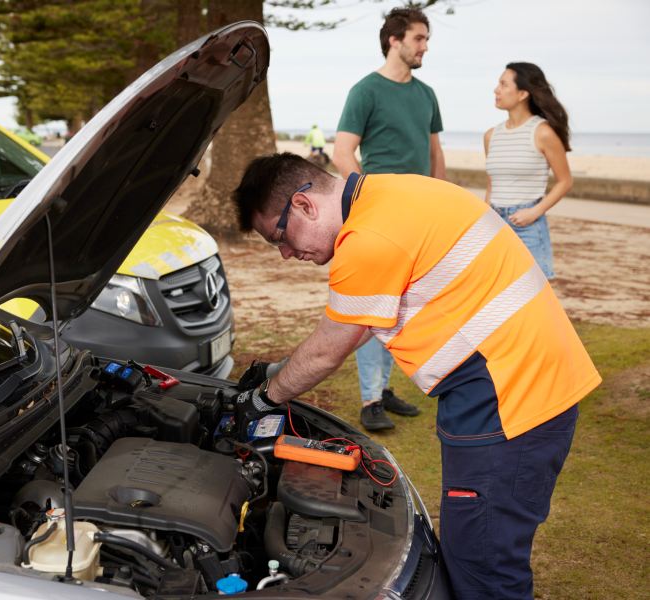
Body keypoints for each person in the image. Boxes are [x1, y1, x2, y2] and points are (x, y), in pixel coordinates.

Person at [231, 152, 600, 599]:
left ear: (305, 205)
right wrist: (277, 370)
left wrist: (265, 397)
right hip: (530, 382)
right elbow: (365, 321)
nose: (288, 254)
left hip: (506, 399)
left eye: (279, 237)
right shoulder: (395, 195)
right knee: (488, 552)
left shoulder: (367, 236)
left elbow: (331, 348)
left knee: (482, 566)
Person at [331, 6, 446, 431]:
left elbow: (435, 153)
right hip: (381, 214)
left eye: (426, 39)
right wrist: (372, 196)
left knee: (405, 305)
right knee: (374, 304)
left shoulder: (426, 94)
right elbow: (343, 153)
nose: (425, 46)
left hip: (421, 216)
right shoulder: (366, 90)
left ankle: (385, 387)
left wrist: (441, 200)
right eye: (418, 38)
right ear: (394, 40)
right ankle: (369, 400)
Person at [485, 62, 573, 279]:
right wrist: (485, 219)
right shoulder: (490, 136)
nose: (496, 89)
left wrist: (535, 212)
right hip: (494, 223)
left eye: (504, 84)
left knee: (536, 296)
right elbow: (491, 185)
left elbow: (565, 181)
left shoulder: (542, 133)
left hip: (528, 225)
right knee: (496, 293)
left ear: (523, 93)